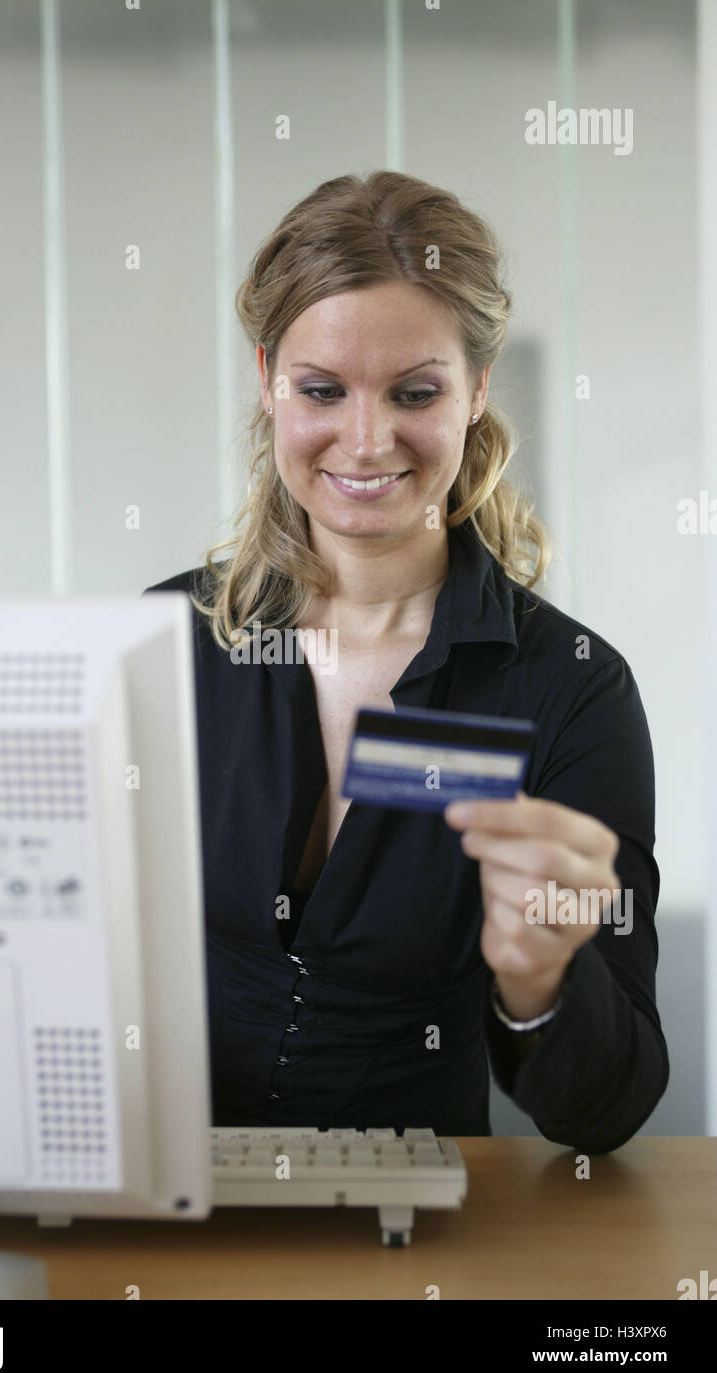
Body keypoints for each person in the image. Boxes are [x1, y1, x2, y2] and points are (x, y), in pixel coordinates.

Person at [146, 170, 668, 1152]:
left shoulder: (570, 687)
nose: (366, 439)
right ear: (267, 381)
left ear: (475, 388)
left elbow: (609, 1109)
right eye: (320, 390)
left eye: (414, 391)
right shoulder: (162, 641)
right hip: (168, 1223)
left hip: (417, 1242)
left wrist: (540, 980)